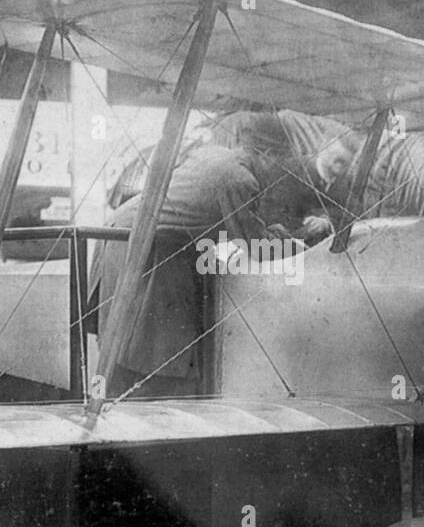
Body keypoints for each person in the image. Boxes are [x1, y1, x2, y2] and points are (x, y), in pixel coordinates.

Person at [86, 113, 299, 397]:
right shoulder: (240, 179)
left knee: (121, 344)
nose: (278, 172)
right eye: (280, 163)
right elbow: (255, 248)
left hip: (118, 235)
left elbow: (198, 214)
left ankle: (109, 408)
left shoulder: (211, 155)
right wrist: (293, 242)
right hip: (149, 245)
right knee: (158, 355)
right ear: (269, 155)